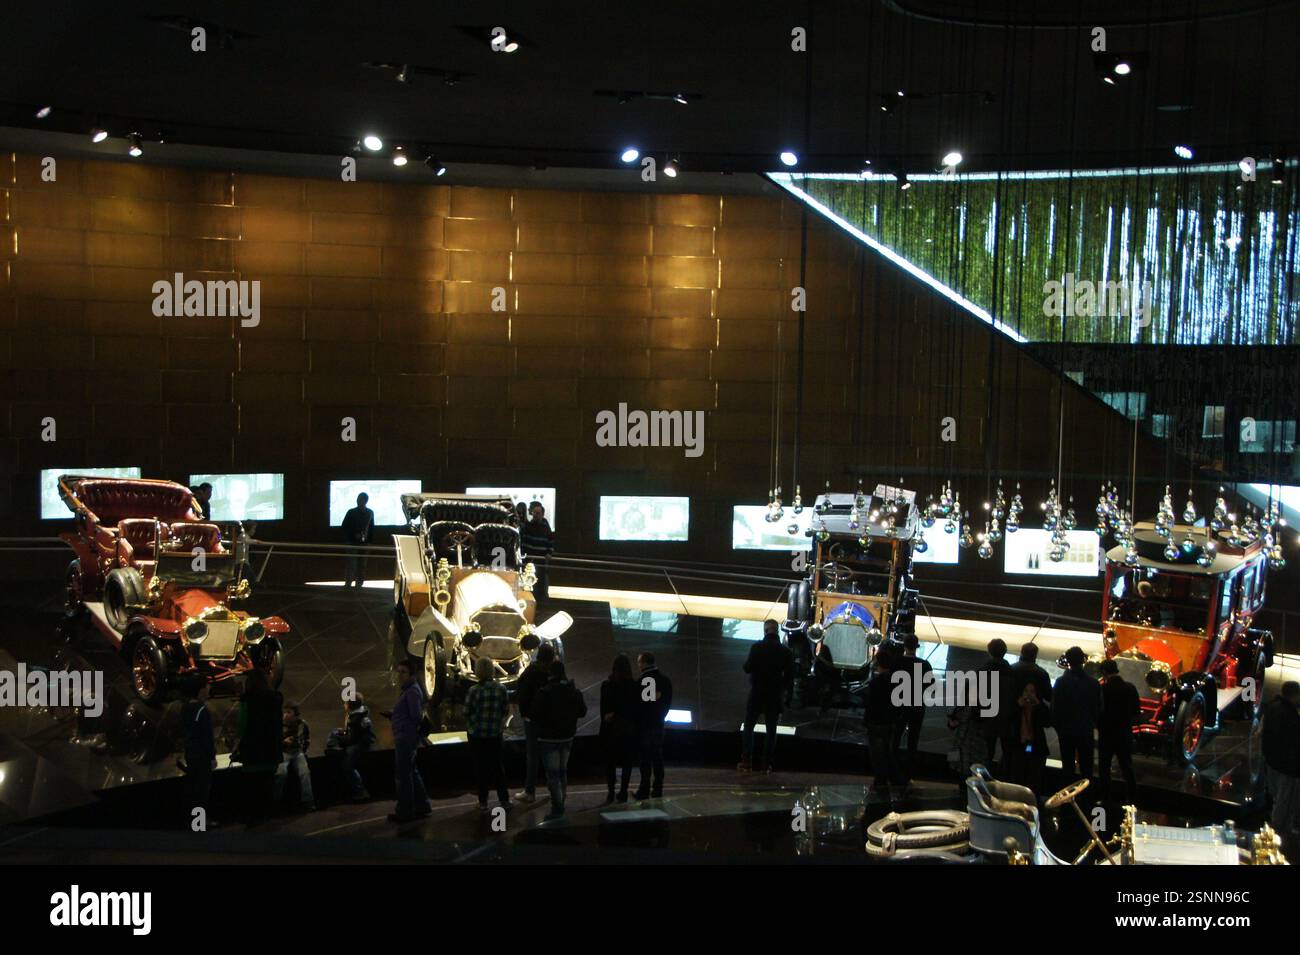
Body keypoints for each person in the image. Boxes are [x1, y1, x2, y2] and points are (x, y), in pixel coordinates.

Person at [532, 660, 588, 820]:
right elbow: (582, 711)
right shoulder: (573, 691)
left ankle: (558, 808)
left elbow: (535, 714)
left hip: (548, 739)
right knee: (562, 772)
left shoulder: (544, 692)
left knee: (553, 775)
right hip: (567, 736)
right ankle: (561, 801)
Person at [739, 619, 794, 773]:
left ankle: (746, 762)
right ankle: (765, 764)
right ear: (777, 631)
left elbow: (747, 668)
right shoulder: (786, 651)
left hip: (757, 693)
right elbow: (790, 677)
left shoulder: (757, 647)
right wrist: (786, 695)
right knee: (771, 730)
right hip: (774, 696)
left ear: (765, 631)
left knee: (749, 727)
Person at [382, 660, 431, 822]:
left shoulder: (412, 692)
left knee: (403, 776)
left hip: (406, 738)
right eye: (399, 671)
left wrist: (399, 718)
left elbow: (416, 716)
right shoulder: (409, 690)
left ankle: (405, 812)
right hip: (406, 736)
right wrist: (395, 714)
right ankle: (422, 805)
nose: (400, 675)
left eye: (403, 672)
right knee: (412, 772)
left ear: (412, 674)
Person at [234, 667, 283, 824]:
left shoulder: (247, 700)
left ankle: (253, 817)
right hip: (270, 750)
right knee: (267, 784)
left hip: (252, 751)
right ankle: (267, 815)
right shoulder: (275, 698)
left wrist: (237, 745)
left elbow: (242, 724)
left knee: (251, 787)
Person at [465, 656, 511, 813]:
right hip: (495, 734)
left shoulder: (473, 691)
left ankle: (483, 802)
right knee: (498, 767)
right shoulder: (501, 689)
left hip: (477, 735)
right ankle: (504, 800)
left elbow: (466, 711)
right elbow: (505, 710)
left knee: (480, 768)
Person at [512, 641, 555, 804]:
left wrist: (525, 714)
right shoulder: (553, 671)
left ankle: (530, 791)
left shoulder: (531, 670)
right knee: (550, 755)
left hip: (533, 720)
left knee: (532, 756)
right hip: (550, 720)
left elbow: (522, 691)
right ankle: (554, 790)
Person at [1052, 646, 1101, 780]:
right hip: (1085, 730)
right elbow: (1098, 708)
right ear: (1083, 660)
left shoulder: (1061, 682)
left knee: (1068, 767)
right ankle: (1086, 796)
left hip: (1066, 730)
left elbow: (1055, 708)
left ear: (1068, 660)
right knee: (1086, 768)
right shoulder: (1093, 683)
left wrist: (1059, 727)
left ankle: (1068, 796)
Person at [1097, 659, 1139, 803]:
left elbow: (1098, 711)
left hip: (1106, 734)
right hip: (1124, 733)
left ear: (1104, 673)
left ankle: (1105, 797)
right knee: (1127, 766)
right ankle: (1132, 797)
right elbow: (1136, 711)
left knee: (1104, 767)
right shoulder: (1130, 688)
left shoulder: (1103, 689)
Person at [891, 634, 933, 782]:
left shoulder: (896, 662)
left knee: (895, 738)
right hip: (916, 705)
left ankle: (892, 769)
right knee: (913, 740)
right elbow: (930, 687)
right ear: (916, 647)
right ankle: (909, 772)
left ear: (904, 646)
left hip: (899, 706)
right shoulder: (925, 665)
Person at [865, 645, 905, 795]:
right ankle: (893, 780)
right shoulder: (896, 681)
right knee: (887, 752)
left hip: (876, 722)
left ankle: (881, 781)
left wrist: (867, 721)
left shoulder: (876, 682)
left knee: (877, 754)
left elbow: (870, 704)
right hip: (889, 722)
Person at [600, 653, 639, 802]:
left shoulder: (607, 685)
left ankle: (610, 792)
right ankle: (623, 792)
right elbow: (635, 709)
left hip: (611, 731)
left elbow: (603, 711)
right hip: (628, 730)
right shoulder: (635, 686)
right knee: (627, 763)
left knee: (610, 763)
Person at [634, 652, 673, 800]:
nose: (638, 666)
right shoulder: (665, 680)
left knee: (645, 759)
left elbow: (645, 705)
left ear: (644, 663)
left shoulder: (646, 680)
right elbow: (665, 704)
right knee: (657, 756)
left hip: (646, 726)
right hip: (658, 724)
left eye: (639, 662)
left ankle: (644, 790)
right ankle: (657, 788)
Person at [1262, 681, 1300, 834]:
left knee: (1277, 798)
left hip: (1271, 761)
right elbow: (1295, 746)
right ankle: (1277, 833)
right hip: (1287, 767)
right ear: (1295, 695)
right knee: (1284, 802)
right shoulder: (1291, 716)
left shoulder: (1272, 707)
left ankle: (1282, 828)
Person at [179, 674, 216, 825]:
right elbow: (206, 736)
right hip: (202, 756)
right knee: (202, 790)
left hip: (191, 753)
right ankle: (200, 822)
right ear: (200, 689)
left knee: (194, 788)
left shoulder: (185, 707)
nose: (209, 689)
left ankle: (195, 822)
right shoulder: (202, 710)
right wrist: (212, 756)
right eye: (207, 686)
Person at [1005, 682, 1051, 795]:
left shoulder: (1040, 707)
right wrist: (1018, 707)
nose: (1028, 695)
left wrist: (1038, 705)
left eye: (1032, 692)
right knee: (1017, 776)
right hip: (1019, 745)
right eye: (1026, 691)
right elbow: (1008, 719)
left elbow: (1047, 722)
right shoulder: (1016, 705)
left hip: (1036, 747)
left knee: (1034, 779)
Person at [979, 638, 1016, 773]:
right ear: (1005, 652)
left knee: (986, 752)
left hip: (987, 718)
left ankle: (985, 779)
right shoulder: (1012, 673)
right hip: (1007, 718)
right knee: (1007, 752)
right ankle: (1004, 778)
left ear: (989, 652)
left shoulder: (983, 671)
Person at [332, 694, 375, 802]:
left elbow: (353, 738)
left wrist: (341, 740)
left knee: (347, 766)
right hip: (362, 740)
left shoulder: (355, 719)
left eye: (346, 703)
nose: (344, 705)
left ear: (350, 705)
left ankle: (361, 792)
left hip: (360, 744)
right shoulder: (360, 714)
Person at [273, 700, 315, 812]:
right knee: (281, 773)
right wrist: (283, 742)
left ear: (295, 714)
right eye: (284, 712)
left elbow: (306, 739)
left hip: (297, 752)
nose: (285, 715)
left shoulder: (302, 724)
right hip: (283, 752)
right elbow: (273, 741)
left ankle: (308, 802)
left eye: (289, 712)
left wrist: (303, 751)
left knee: (305, 773)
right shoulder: (278, 725)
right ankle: (275, 804)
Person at [520, 501, 555, 601]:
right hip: (529, 560)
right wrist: (523, 555)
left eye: (537, 513)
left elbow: (550, 542)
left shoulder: (546, 528)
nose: (535, 515)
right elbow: (523, 541)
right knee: (528, 583)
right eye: (534, 513)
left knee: (541, 582)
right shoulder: (527, 526)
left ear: (542, 514)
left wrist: (549, 553)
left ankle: (541, 602)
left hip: (541, 560)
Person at [341, 492, 374, 589]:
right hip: (352, 543)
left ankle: (359, 585)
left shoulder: (370, 513)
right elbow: (344, 527)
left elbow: (371, 528)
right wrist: (353, 535)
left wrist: (369, 542)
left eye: (360, 499)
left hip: (365, 543)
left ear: (365, 501)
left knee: (362, 565)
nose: (358, 501)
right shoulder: (351, 512)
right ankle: (348, 584)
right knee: (351, 564)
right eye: (358, 499)